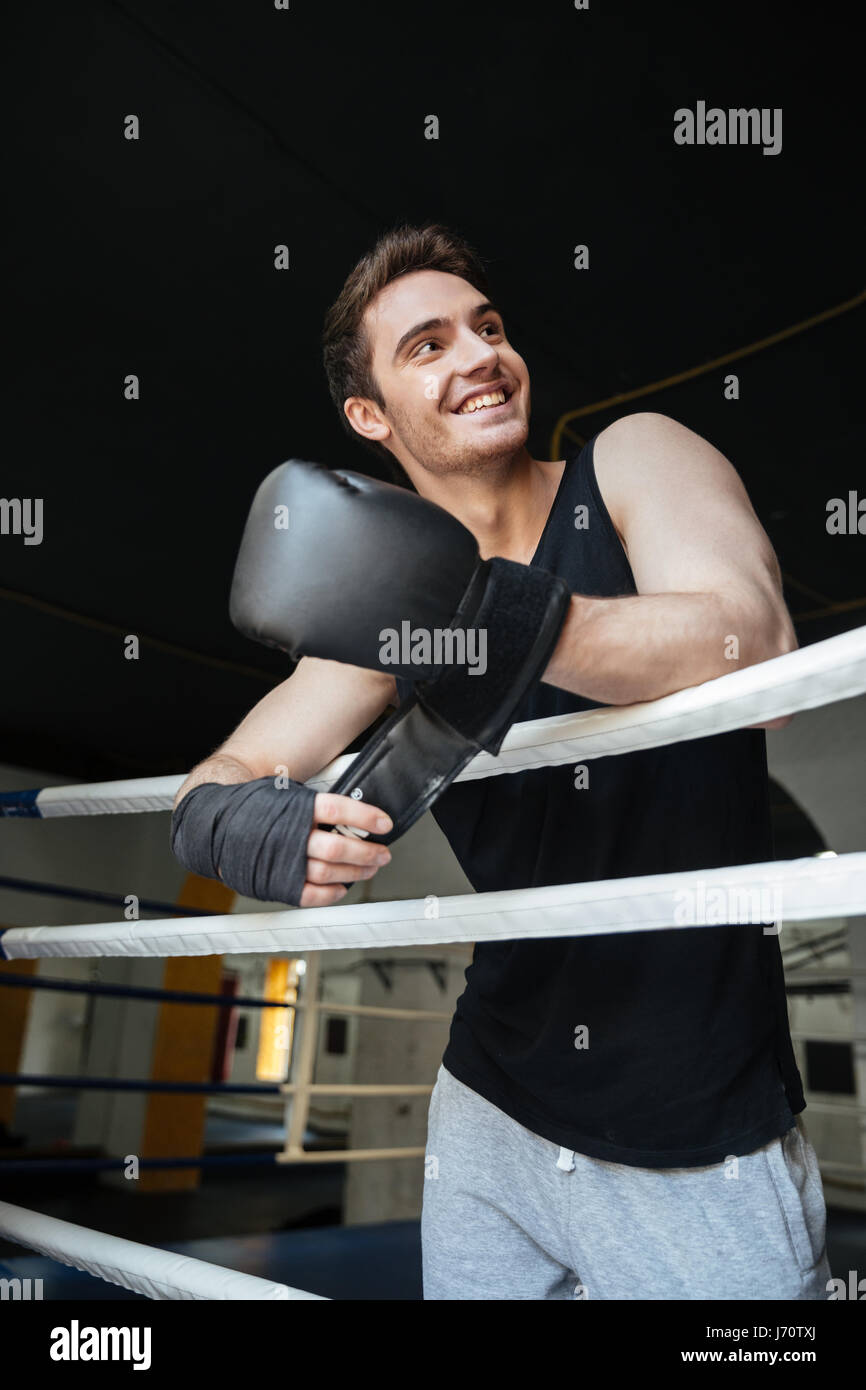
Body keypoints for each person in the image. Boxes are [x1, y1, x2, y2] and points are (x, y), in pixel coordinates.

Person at [172, 224, 829, 1300]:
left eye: (487, 328)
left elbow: (749, 643)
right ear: (368, 417)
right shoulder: (399, 607)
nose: (479, 354)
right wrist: (248, 829)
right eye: (427, 345)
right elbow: (227, 769)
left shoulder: (630, 461)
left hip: (696, 1119)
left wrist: (483, 617)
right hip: (490, 1104)